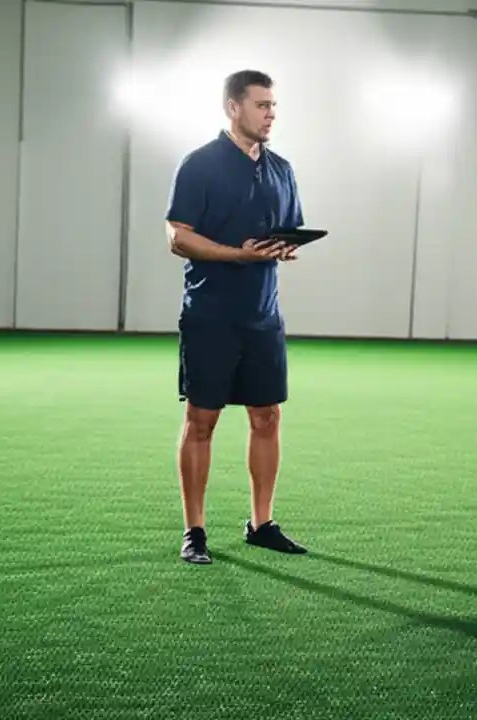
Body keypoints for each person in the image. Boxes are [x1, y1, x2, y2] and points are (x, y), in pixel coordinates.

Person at [165, 69, 309, 563]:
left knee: (267, 417)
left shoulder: (282, 169)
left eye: (274, 106)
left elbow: (287, 230)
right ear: (233, 107)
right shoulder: (199, 165)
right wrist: (236, 255)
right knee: (201, 420)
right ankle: (195, 532)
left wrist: (283, 249)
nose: (271, 114)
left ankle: (261, 523)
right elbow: (177, 237)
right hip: (210, 313)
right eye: (261, 105)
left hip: (264, 316)